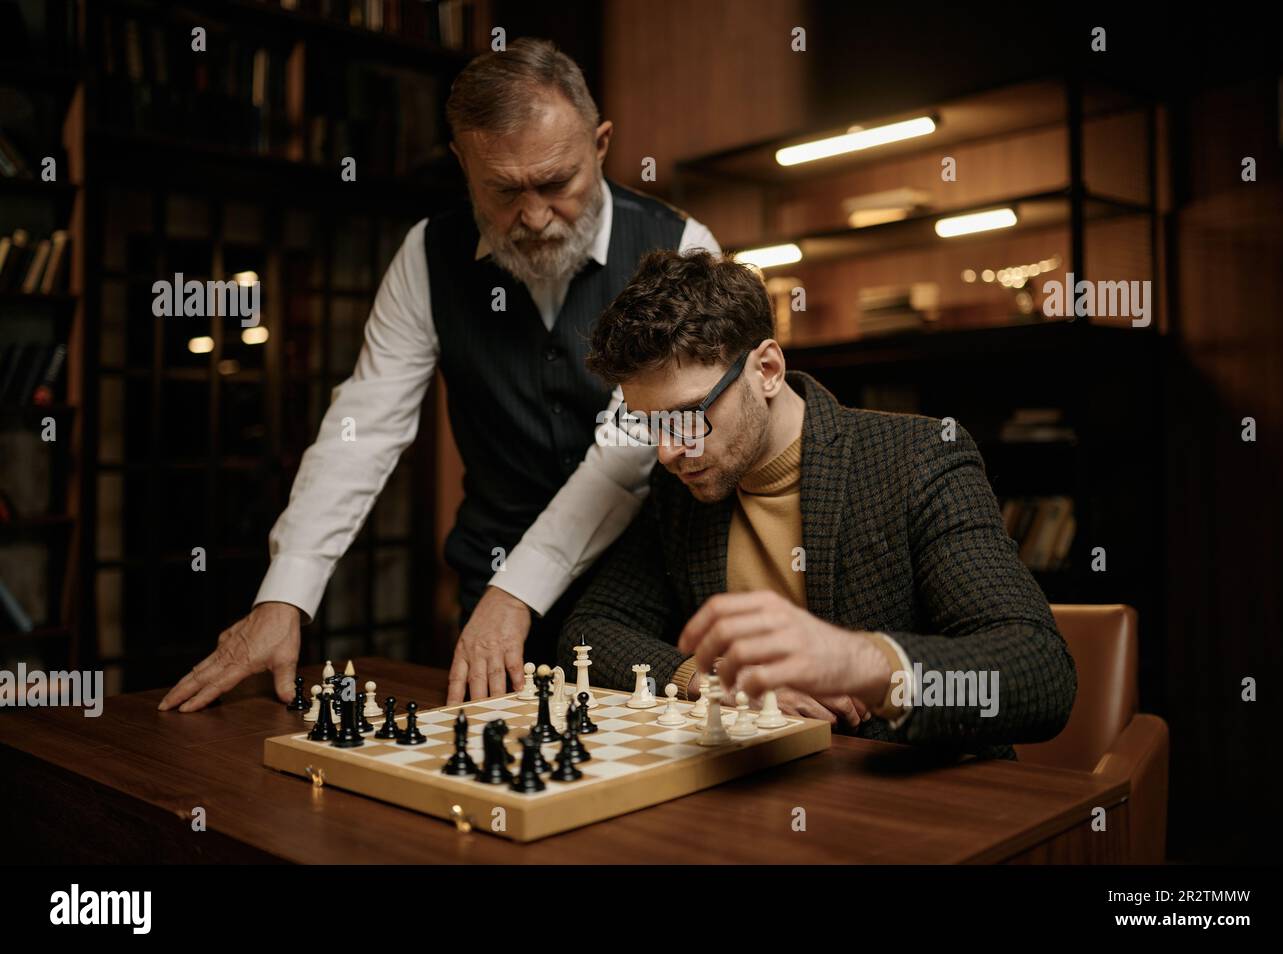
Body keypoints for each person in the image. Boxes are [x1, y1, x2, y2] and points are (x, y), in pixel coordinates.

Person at [159, 39, 717, 713]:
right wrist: (287, 592)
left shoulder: (683, 250)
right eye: (504, 191)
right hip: (491, 586)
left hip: (649, 594)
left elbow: (630, 449)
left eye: (555, 184)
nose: (534, 218)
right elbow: (363, 430)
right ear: (462, 163)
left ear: (600, 145)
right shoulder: (426, 256)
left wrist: (516, 589)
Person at [557, 250, 1077, 757]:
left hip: (921, 806)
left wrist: (860, 663)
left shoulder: (918, 458)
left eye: (690, 414)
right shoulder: (682, 487)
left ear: (766, 369)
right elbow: (591, 630)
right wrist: (710, 680)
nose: (668, 450)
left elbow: (1041, 672)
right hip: (763, 798)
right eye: (650, 423)